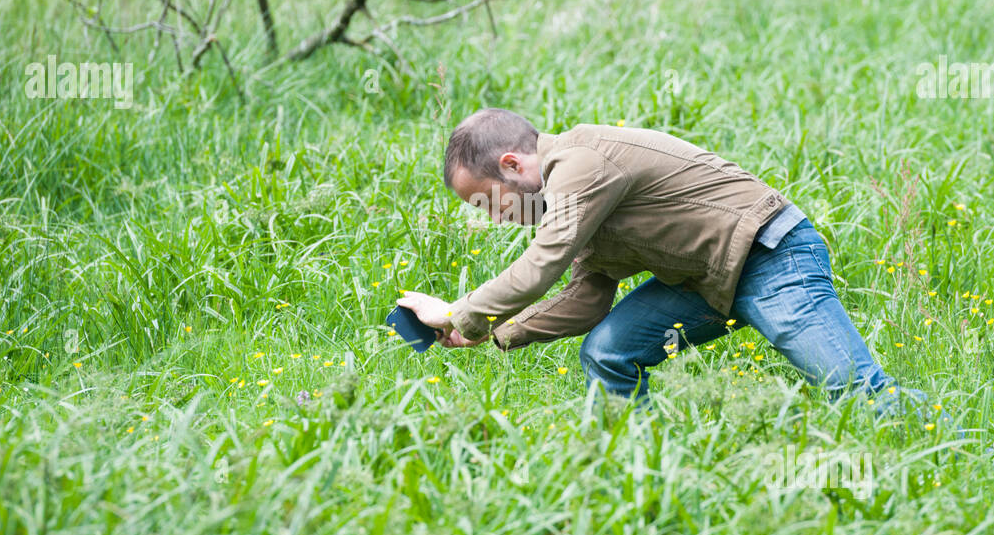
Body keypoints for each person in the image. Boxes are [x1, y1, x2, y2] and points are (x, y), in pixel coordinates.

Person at [399, 108, 954, 428]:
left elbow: (544, 262)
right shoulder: (565, 203)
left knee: (856, 391)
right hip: (708, 284)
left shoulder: (581, 163)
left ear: (513, 165)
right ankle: (639, 470)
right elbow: (586, 299)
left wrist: (459, 314)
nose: (495, 217)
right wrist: (496, 335)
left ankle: (954, 442)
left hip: (771, 256)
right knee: (609, 350)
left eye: (488, 201)